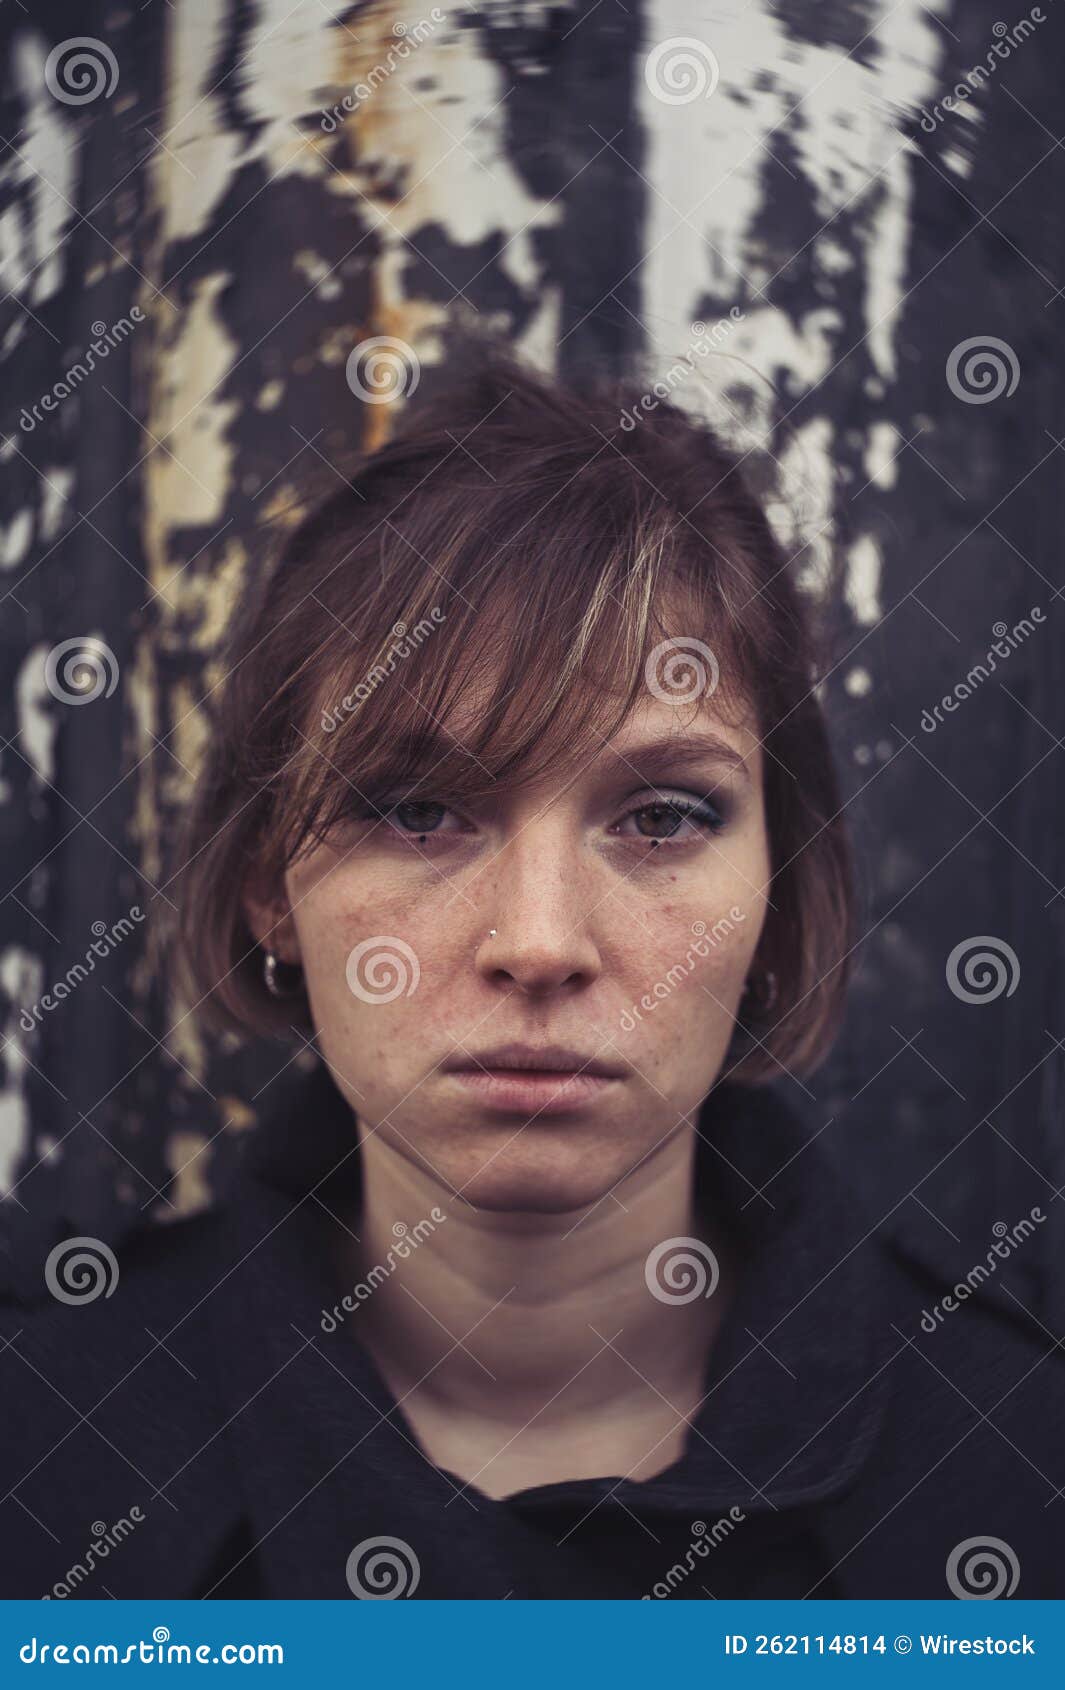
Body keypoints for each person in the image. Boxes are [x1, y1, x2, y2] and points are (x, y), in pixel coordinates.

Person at [1, 342, 1061, 1600]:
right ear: (268, 886)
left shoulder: (1016, 1479)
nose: (542, 943)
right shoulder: (47, 1464)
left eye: (662, 817)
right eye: (415, 810)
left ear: (779, 892)